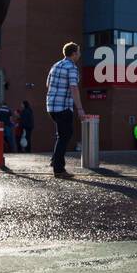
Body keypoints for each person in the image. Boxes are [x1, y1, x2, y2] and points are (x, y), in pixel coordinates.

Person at [45, 42, 83, 178]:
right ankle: (59, 169)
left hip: (51, 107)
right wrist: (80, 109)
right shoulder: (71, 67)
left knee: (62, 134)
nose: (79, 54)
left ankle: (55, 160)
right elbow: (74, 88)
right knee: (66, 135)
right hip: (63, 107)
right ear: (73, 54)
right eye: (78, 52)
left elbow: (48, 84)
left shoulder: (56, 65)